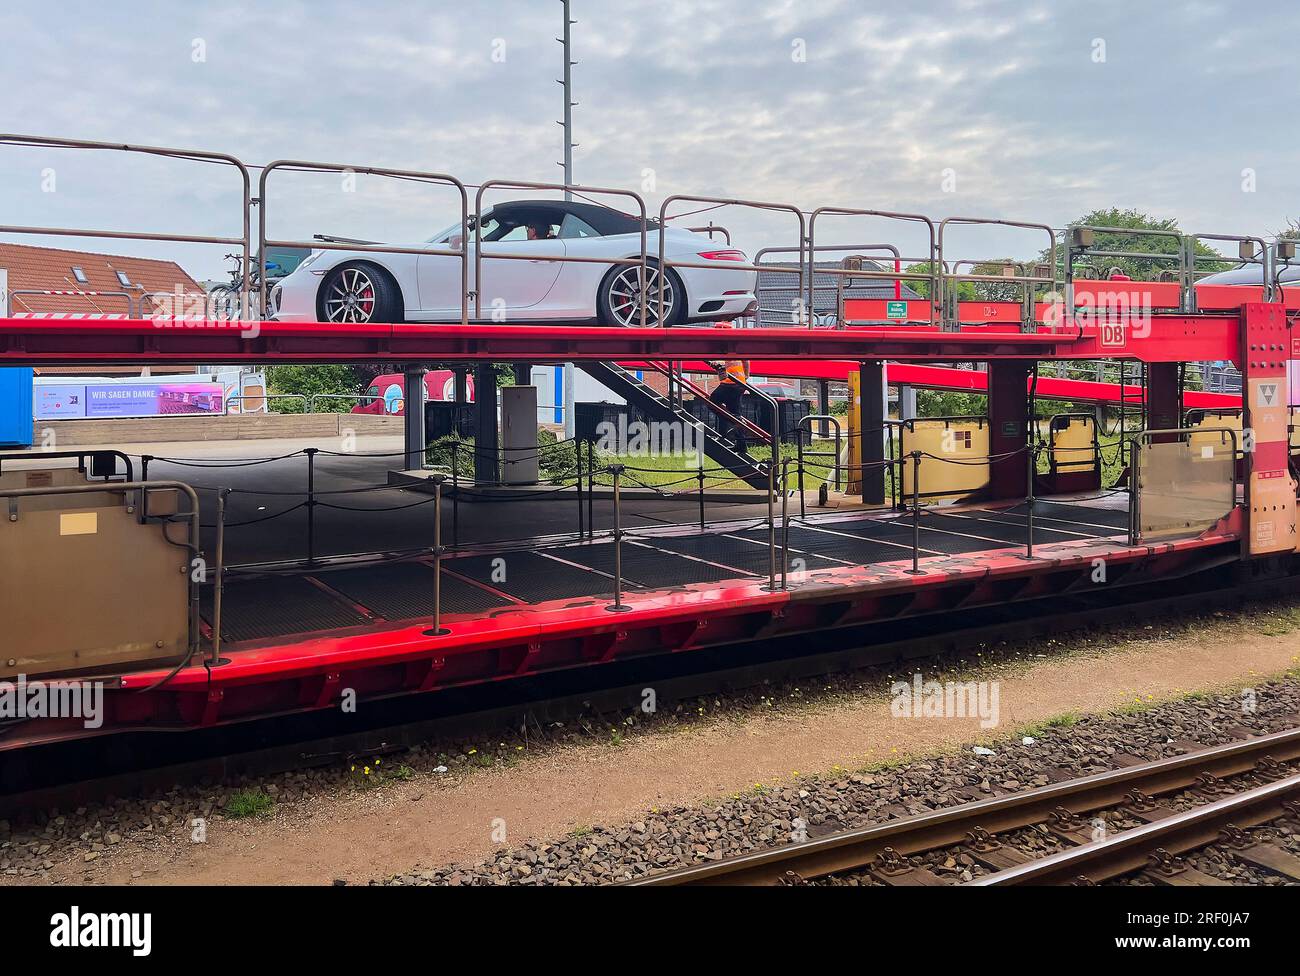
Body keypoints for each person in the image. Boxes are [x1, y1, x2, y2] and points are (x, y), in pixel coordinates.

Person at [708, 358, 750, 454]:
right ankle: (741, 446)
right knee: (735, 412)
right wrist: (746, 375)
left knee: (712, 401)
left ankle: (736, 421)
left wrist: (716, 362)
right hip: (739, 383)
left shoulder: (724, 348)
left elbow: (721, 362)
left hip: (730, 383)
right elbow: (746, 360)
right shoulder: (737, 348)